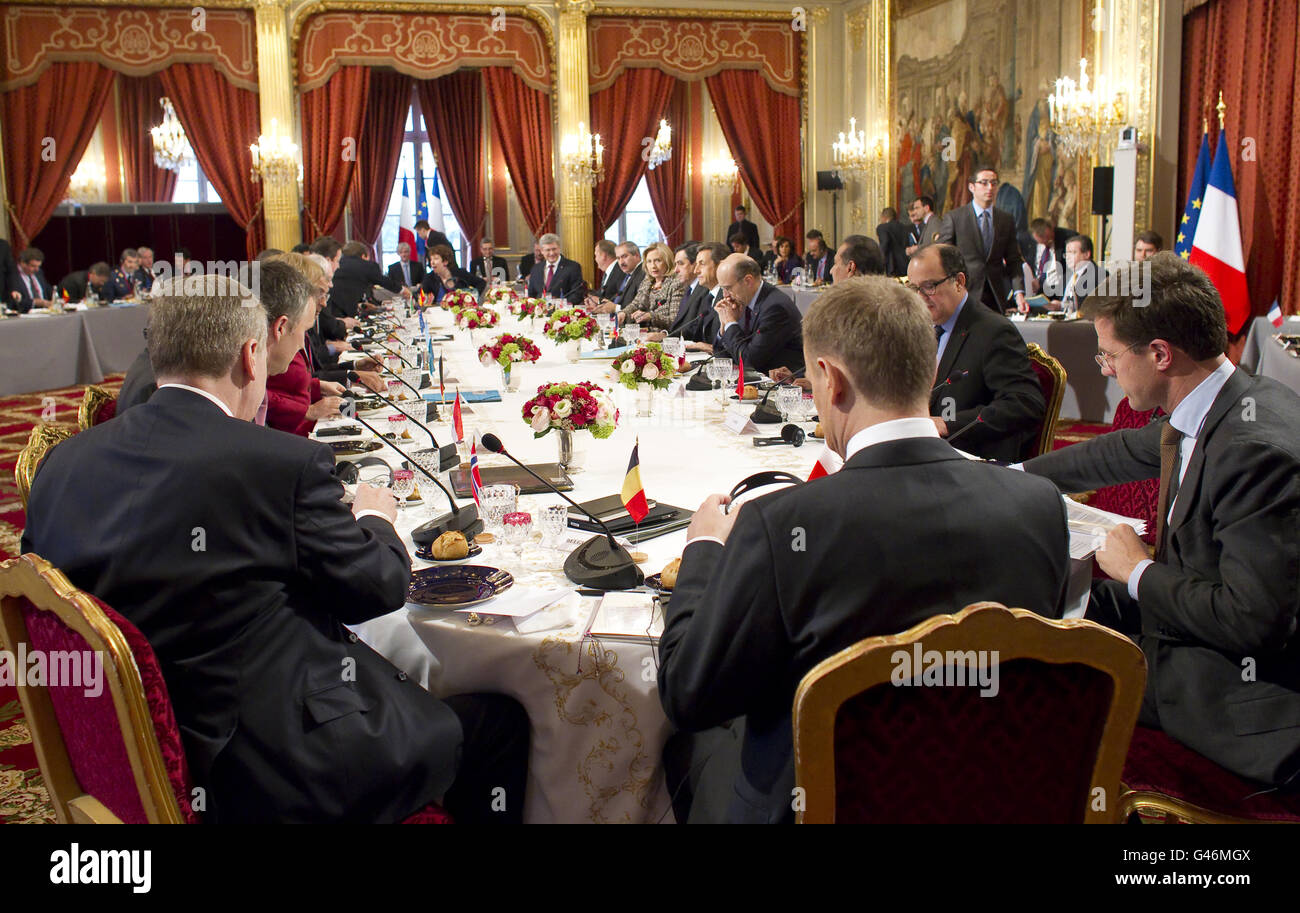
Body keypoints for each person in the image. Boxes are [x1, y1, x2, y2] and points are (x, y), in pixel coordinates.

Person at [21, 274, 529, 823]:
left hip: (131, 755)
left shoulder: (61, 467)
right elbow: (376, 589)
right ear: (250, 354)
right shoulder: (274, 465)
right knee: (499, 723)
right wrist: (376, 519)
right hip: (273, 771)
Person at [659, 275, 1071, 823]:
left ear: (830, 380)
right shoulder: (1039, 505)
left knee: (682, 752)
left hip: (820, 802)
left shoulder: (780, 524)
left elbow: (688, 693)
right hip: (991, 797)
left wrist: (705, 548)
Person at [1021, 253, 1300, 787]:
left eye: (1108, 357)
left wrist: (1137, 573)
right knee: (1044, 610)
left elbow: (1253, 621)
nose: (1105, 369)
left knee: (1039, 682)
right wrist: (1009, 474)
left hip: (1238, 687)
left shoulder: (1253, 451)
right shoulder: (1221, 401)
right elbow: (1116, 453)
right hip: (1190, 622)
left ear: (1159, 354)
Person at [907, 244, 1045, 462]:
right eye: (914, 289)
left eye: (929, 286)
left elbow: (1024, 404)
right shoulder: (920, 328)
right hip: (923, 453)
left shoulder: (994, 331)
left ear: (959, 282)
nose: (920, 297)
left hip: (970, 460)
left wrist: (946, 424)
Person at [935, 165, 1028, 313]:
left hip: (996, 297)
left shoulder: (1005, 220)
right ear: (972, 187)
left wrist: (1019, 294)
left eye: (994, 183)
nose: (990, 187)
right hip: (964, 295)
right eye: (984, 183)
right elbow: (942, 258)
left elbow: (1014, 260)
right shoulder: (955, 218)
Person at [713, 254, 804, 373]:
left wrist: (730, 323)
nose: (725, 295)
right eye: (722, 289)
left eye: (728, 288)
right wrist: (724, 327)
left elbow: (749, 362)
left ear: (748, 281)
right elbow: (721, 356)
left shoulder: (775, 308)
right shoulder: (744, 300)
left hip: (780, 384)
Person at [663, 242, 725, 350]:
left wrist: (710, 348)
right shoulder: (708, 297)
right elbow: (694, 330)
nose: (696, 270)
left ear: (719, 265)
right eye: (697, 264)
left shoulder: (728, 297)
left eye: (702, 264)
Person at [327, 240, 408, 322]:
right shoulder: (365, 265)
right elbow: (383, 281)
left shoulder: (336, 263)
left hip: (329, 312)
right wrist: (403, 290)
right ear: (363, 256)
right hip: (347, 316)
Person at [620, 242, 683, 330]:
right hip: (643, 334)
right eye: (649, 261)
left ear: (667, 261)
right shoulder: (647, 282)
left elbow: (674, 320)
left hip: (663, 337)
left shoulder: (676, 284)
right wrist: (623, 313)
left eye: (657, 261)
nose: (653, 266)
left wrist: (650, 316)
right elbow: (636, 304)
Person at [525, 232, 585, 303]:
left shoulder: (573, 267)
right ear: (542, 251)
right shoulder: (536, 269)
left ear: (559, 248)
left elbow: (577, 294)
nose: (552, 253)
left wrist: (559, 304)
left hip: (563, 311)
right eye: (548, 250)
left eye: (554, 249)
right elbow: (531, 294)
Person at [1023, 218, 1074, 297]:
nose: (1045, 240)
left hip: (1057, 291)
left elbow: (1070, 271)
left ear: (1052, 229)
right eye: (1041, 240)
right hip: (1036, 292)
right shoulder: (1030, 243)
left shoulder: (1068, 238)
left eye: (1047, 237)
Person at [1055, 234, 1104, 314]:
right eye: (1066, 254)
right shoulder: (1066, 276)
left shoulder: (1099, 275)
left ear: (1086, 254)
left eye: (1072, 253)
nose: (1068, 257)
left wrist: (1061, 305)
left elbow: (1091, 305)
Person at [421, 243, 485, 302]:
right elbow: (422, 297)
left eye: (436, 258)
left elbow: (481, 283)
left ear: (445, 261)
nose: (432, 262)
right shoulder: (429, 278)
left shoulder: (460, 273)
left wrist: (472, 297)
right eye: (431, 259)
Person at [9, 247, 55, 313]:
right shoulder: (12, 276)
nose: (37, 269)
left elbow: (48, 290)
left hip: (45, 312)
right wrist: (35, 302)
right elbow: (14, 302)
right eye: (33, 266)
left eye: (38, 266)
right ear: (22, 263)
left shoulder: (39, 273)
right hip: (24, 315)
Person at [876, 207, 912, 277]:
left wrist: (879, 261)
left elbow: (884, 244)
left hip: (891, 266)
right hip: (905, 265)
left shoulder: (882, 227)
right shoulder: (905, 227)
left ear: (884, 217)